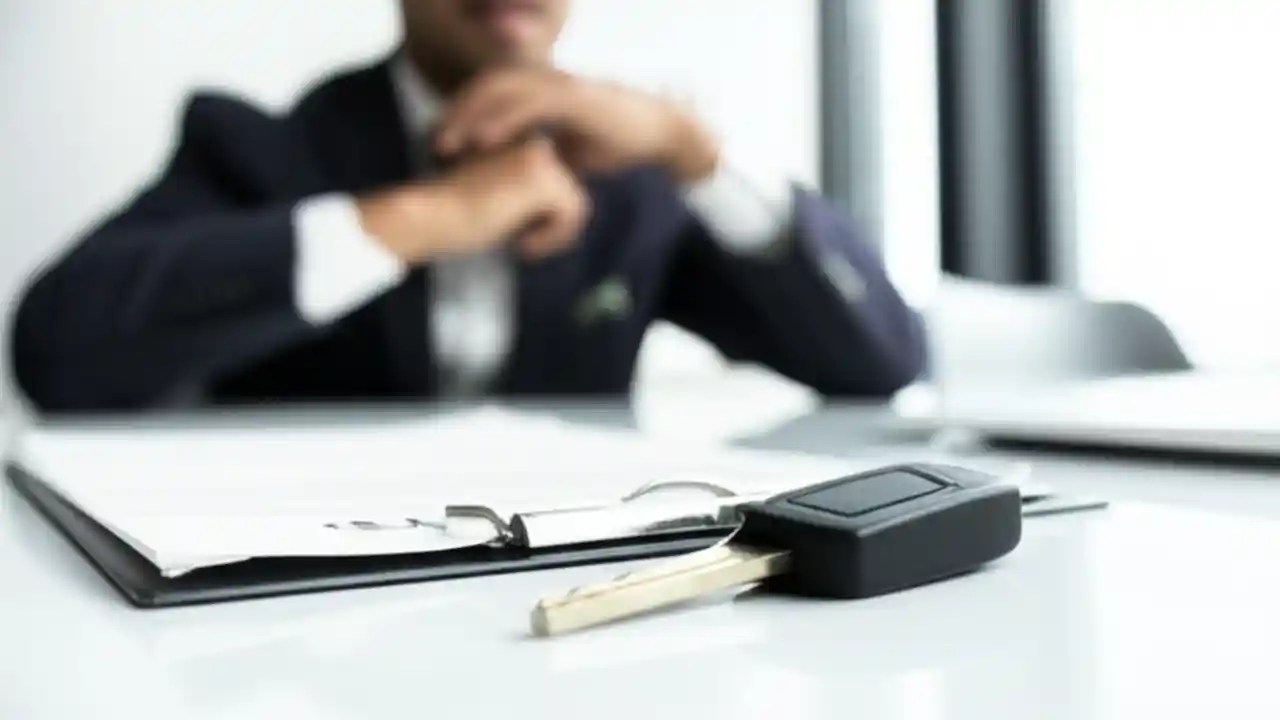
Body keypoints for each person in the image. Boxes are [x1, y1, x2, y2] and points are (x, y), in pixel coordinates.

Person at [10, 0, 926, 412]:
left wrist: (693, 149)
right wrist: (424, 218)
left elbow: (879, 358)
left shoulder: (636, 183)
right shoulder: (264, 149)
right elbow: (56, 349)